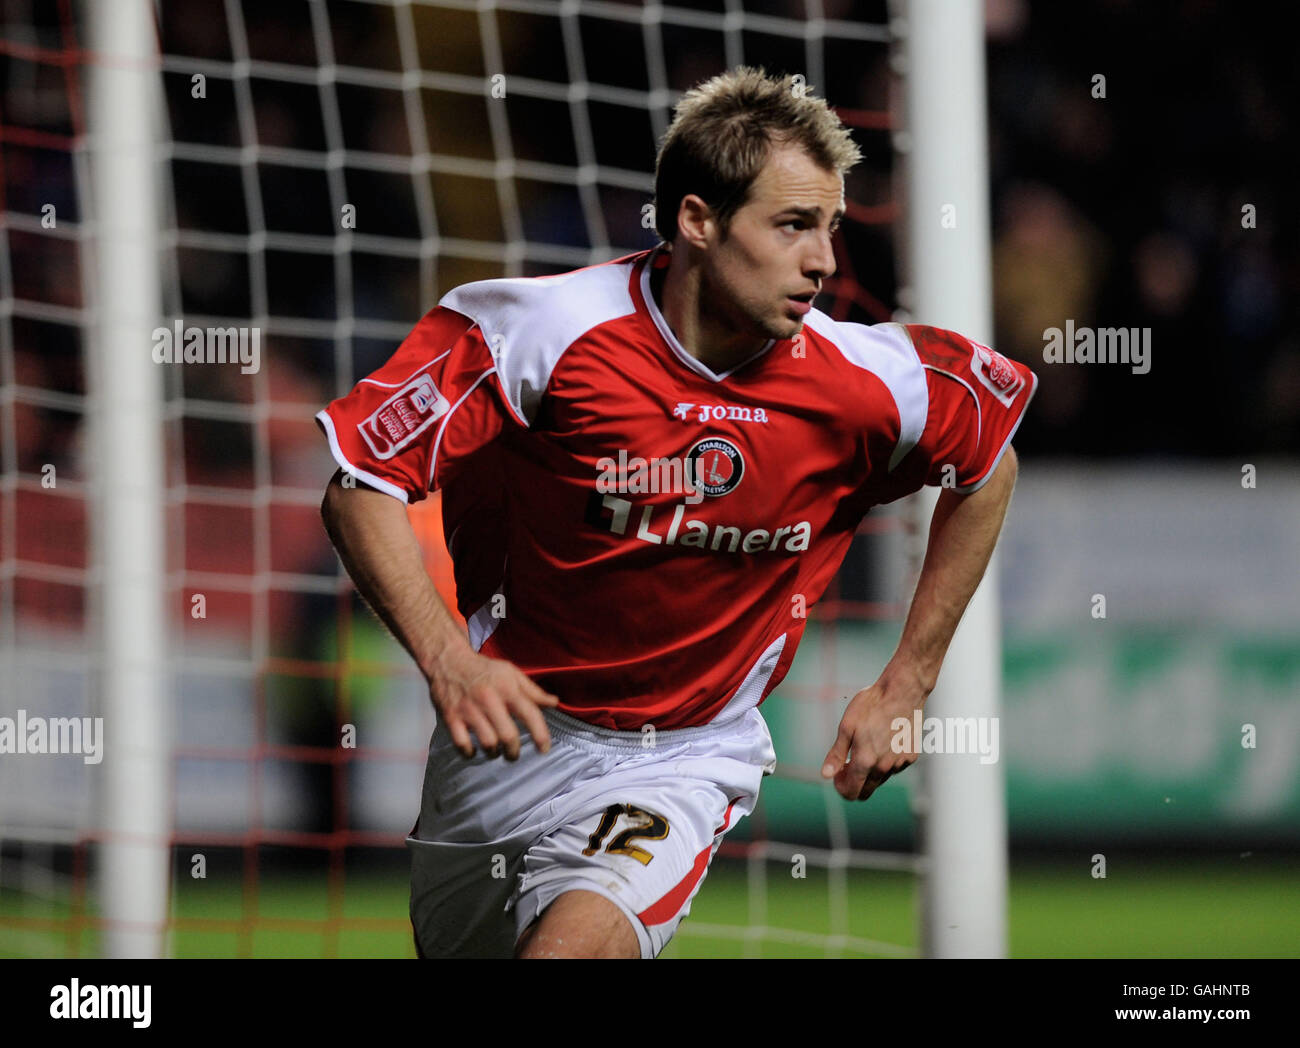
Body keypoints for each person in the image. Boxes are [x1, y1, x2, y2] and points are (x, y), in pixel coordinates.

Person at [316, 67, 1036, 959]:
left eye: (831, 227)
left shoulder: (868, 382)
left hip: (685, 755)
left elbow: (987, 465)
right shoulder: (540, 334)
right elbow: (360, 485)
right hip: (511, 738)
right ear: (697, 219)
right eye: (792, 225)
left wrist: (908, 680)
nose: (824, 261)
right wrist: (449, 662)